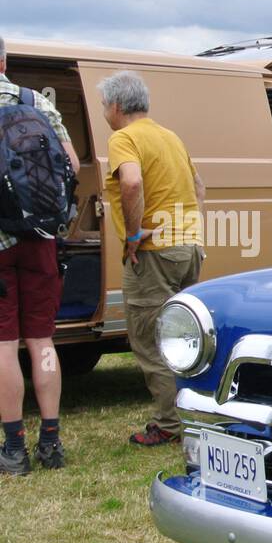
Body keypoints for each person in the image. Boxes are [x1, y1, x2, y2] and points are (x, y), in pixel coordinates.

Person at [97, 71, 205, 446]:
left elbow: (131, 182)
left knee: (150, 339)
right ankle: (194, 416)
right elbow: (198, 187)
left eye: (103, 107)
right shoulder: (170, 136)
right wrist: (189, 229)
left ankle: (169, 425)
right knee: (186, 337)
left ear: (114, 106)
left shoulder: (124, 138)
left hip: (155, 254)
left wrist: (132, 235)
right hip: (188, 248)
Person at [0, 35, 81, 475]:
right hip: (42, 238)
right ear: (4, 60)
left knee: (3, 345)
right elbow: (71, 165)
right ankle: (51, 441)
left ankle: (13, 448)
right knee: (42, 340)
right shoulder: (36, 102)